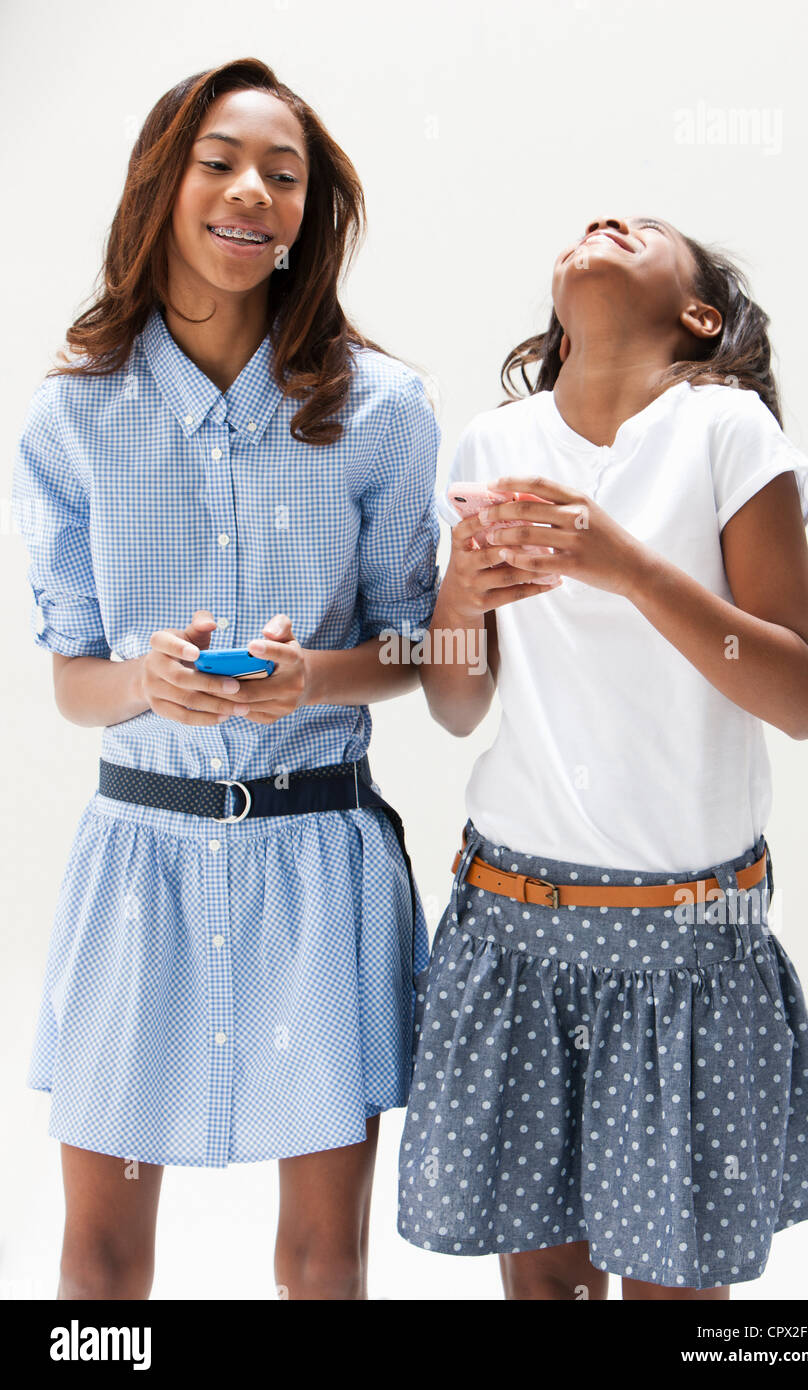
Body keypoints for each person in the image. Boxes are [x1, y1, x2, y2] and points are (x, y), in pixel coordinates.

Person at [13, 57, 439, 1301]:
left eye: (284, 172)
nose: (252, 191)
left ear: (311, 210)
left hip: (320, 863)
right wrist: (147, 679)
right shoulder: (69, 418)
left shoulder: (385, 410)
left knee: (322, 1259)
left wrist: (315, 677)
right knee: (96, 1258)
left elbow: (427, 649)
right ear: (164, 183)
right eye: (219, 162)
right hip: (137, 858)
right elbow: (73, 686)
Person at [397, 213, 808, 1299]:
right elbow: (457, 702)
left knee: (675, 1295)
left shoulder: (724, 431)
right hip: (512, 926)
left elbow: (800, 694)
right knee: (542, 1288)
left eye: (641, 231)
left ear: (696, 315)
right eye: (592, 222)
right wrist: (459, 592)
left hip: (688, 943)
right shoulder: (490, 445)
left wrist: (627, 568)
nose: (604, 222)